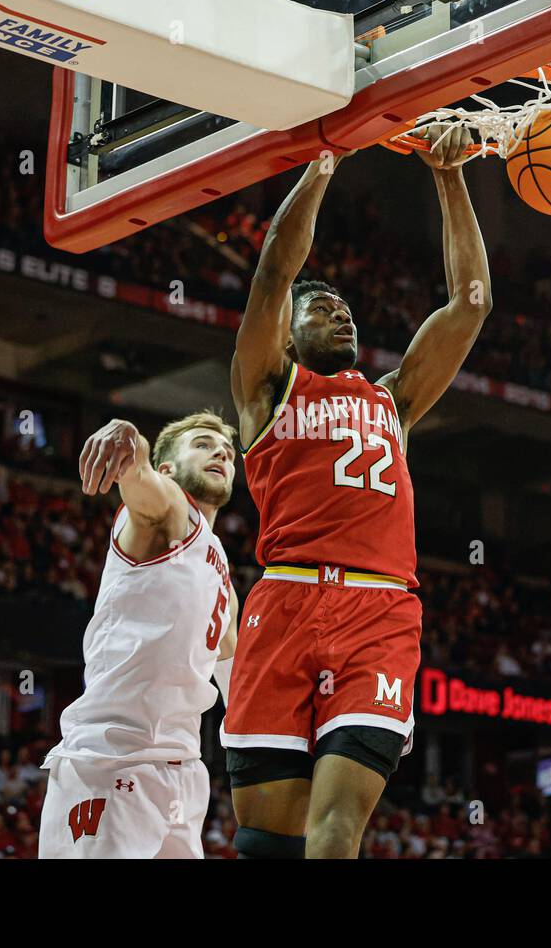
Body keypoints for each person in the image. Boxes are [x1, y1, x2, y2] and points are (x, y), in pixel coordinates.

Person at [225, 124, 492, 858]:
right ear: (289, 331)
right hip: (285, 598)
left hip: (378, 610)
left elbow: (469, 305)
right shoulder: (266, 389)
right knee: (264, 841)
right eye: (323, 308)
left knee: (337, 826)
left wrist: (449, 176)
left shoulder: (393, 401)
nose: (341, 312)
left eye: (346, 307)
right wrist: (325, 158)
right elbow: (275, 270)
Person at [39, 412, 240, 858]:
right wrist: (130, 445)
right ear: (169, 467)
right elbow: (140, 479)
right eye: (203, 444)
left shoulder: (222, 571)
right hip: (113, 757)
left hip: (183, 772)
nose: (221, 453)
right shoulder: (167, 506)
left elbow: (238, 686)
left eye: (226, 450)